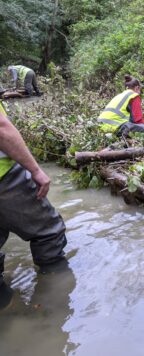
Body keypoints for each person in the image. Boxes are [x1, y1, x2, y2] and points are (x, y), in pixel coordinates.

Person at [0, 101, 67, 309]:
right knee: (48, 231)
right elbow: (2, 129)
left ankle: (6, 306)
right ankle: (53, 303)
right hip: (3, 178)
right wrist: (35, 170)